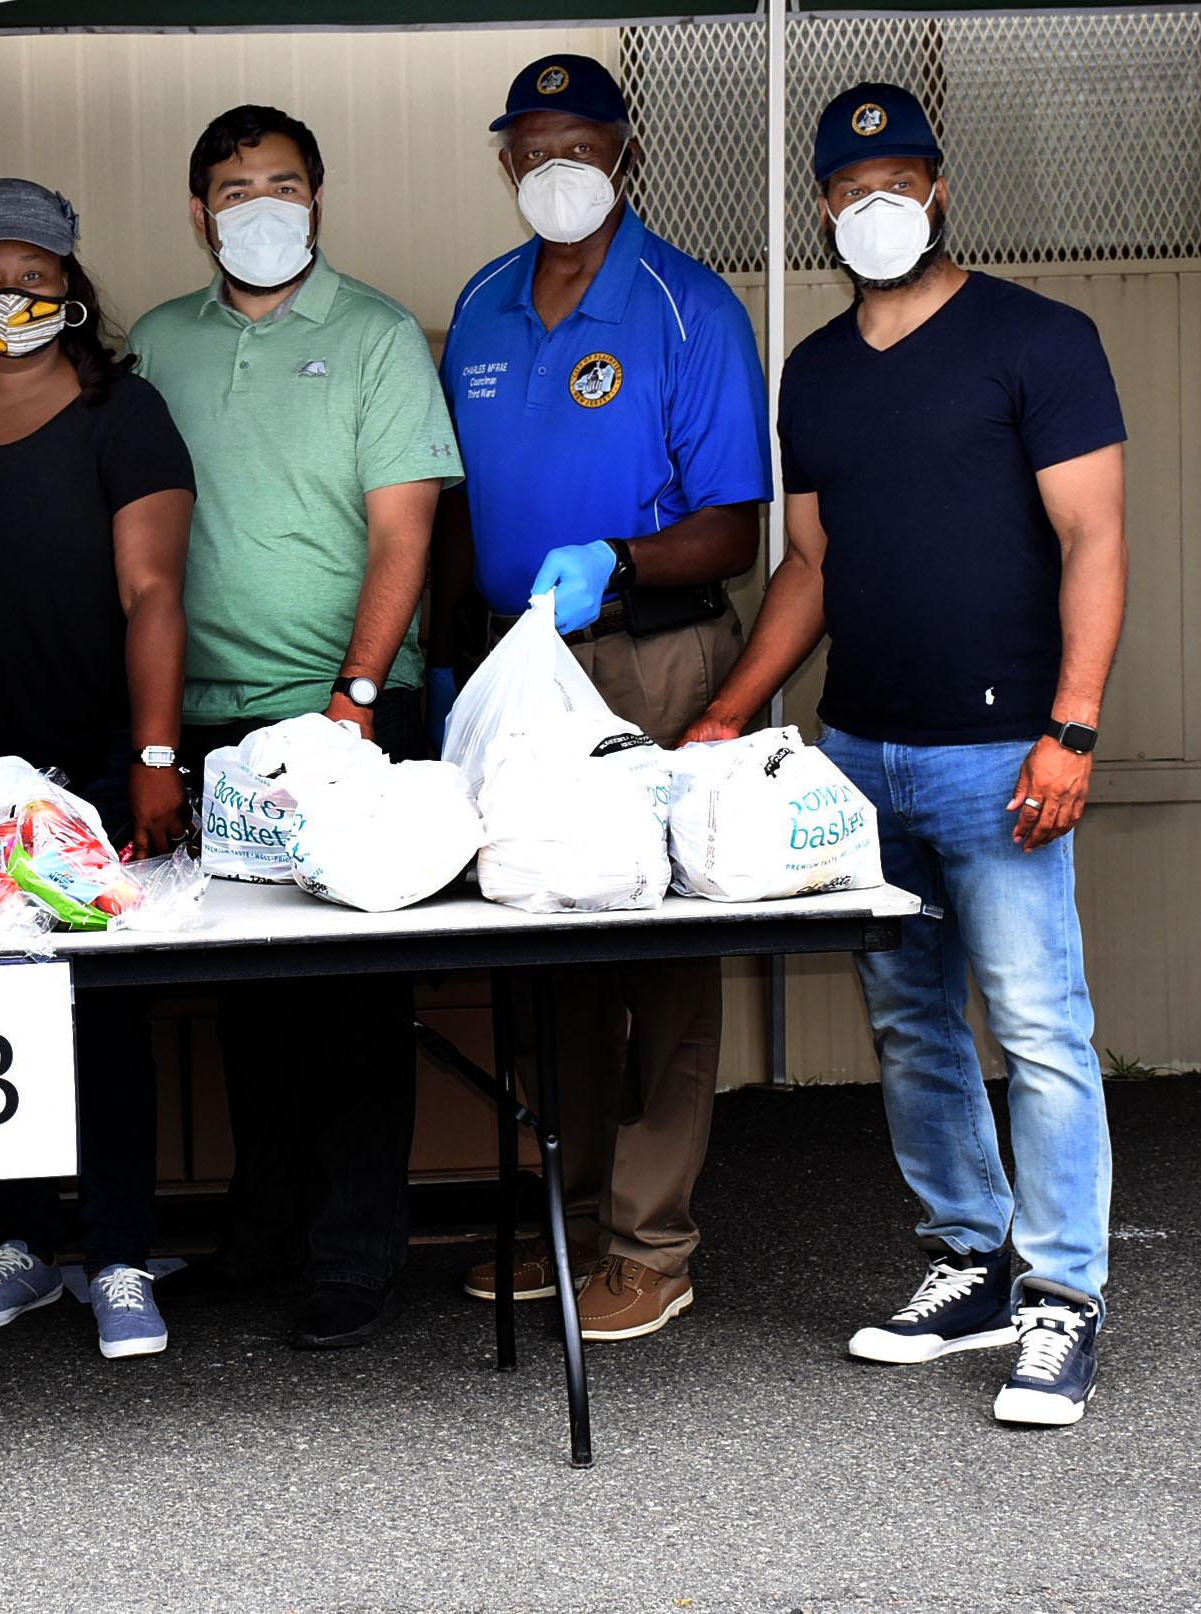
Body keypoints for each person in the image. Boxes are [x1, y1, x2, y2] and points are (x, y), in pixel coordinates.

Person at [682, 84, 1126, 1424]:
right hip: (859, 751)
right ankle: (964, 1262)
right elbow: (809, 565)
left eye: (900, 175)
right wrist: (728, 706)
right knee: (909, 1020)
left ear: (936, 187)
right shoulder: (811, 369)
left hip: (1002, 752)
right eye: (850, 181)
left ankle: (1061, 1299)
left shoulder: (1038, 340)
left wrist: (1073, 723)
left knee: (1039, 1025)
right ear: (820, 202)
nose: (875, 200)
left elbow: (1092, 540)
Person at [438, 56, 771, 1341]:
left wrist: (619, 562)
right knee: (550, 942)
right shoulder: (480, 305)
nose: (555, 170)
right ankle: (572, 1228)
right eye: (532, 148)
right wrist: (451, 655)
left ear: (623, 153)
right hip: (519, 672)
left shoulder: (687, 307)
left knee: (662, 958)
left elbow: (736, 531)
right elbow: (458, 498)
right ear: (506, 159)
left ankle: (653, 1243)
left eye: (580, 145)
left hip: (652, 655)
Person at [127, 105, 461, 1350]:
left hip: (348, 718)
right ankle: (260, 1236)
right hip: (207, 724)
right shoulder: (158, 342)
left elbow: (406, 532)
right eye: (232, 186)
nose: (258, 205)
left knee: (355, 1007)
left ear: (319, 200)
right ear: (198, 210)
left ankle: (353, 1258)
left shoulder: (375, 336)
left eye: (282, 184)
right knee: (246, 1003)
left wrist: (358, 699)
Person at [0, 178, 196, 1359]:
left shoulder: (124, 409)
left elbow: (154, 589)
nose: (10, 295)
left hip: (92, 763)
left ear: (72, 278)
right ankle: (15, 1238)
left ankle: (116, 1252)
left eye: (33, 274)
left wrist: (155, 754)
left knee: (102, 1011)